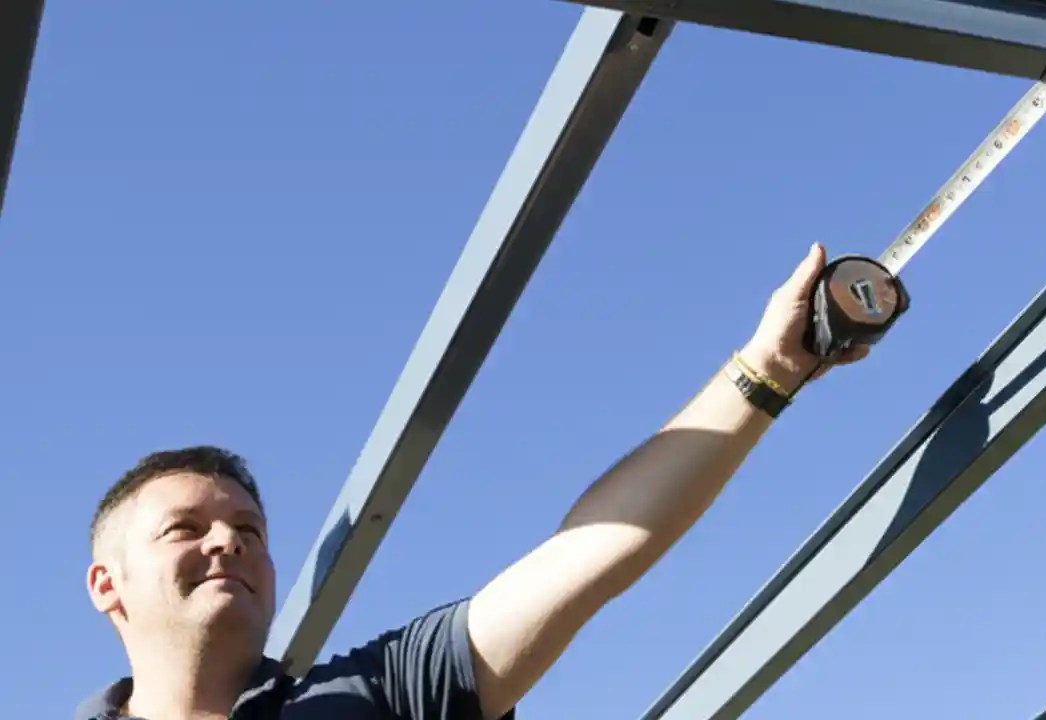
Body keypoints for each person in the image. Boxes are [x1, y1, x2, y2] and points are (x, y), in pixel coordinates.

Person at [76, 243, 870, 720]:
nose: (229, 542)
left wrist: (764, 373)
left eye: (249, 531)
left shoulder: (385, 696)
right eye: (187, 528)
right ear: (106, 584)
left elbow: (587, 557)